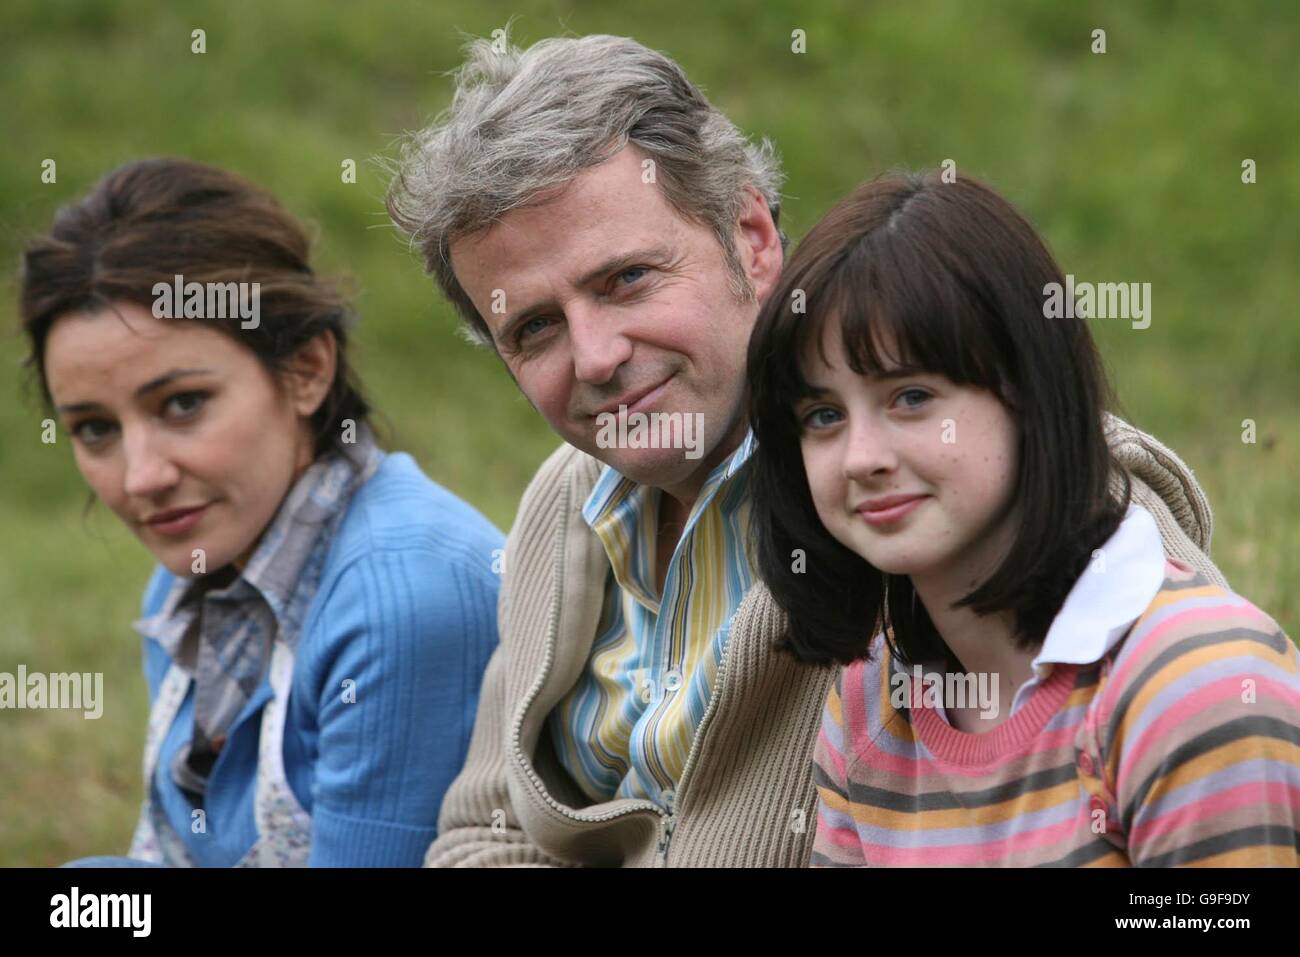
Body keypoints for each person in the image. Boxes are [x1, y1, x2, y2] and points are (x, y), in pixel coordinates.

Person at [386, 33, 1230, 866]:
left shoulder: (947, 485)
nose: (597, 356)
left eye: (627, 279)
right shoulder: (561, 504)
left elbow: (1213, 745)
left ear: (751, 237)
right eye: (535, 328)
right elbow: (485, 834)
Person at [746, 171, 1299, 866]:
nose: (861, 457)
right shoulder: (868, 703)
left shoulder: (1197, 682)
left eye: (912, 396)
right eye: (823, 415)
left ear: (1030, 393)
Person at [20, 158, 503, 867]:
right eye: (95, 428)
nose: (142, 476)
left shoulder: (404, 597)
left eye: (183, 404)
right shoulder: (196, 574)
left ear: (306, 369)